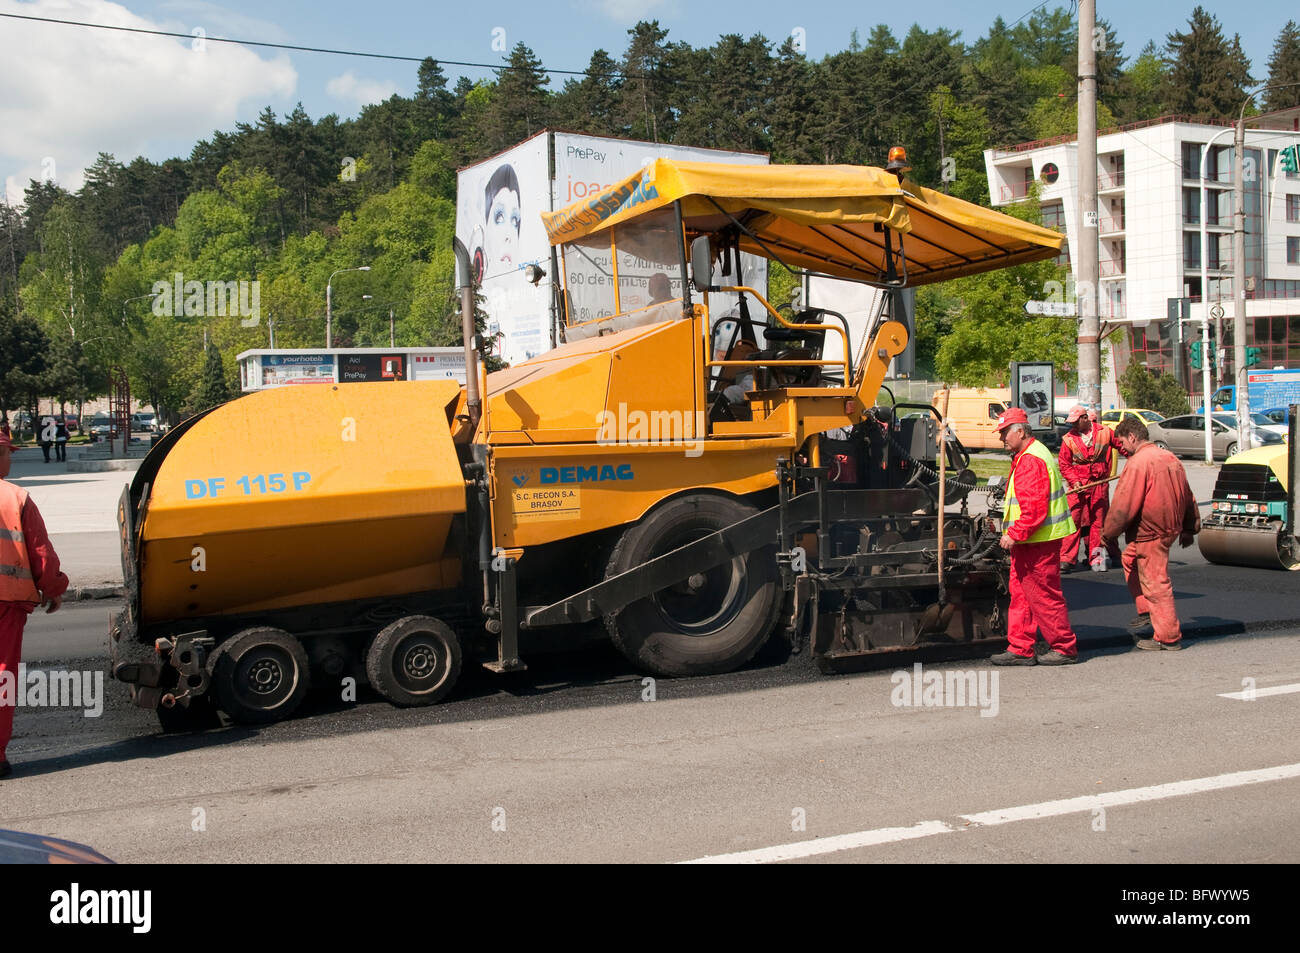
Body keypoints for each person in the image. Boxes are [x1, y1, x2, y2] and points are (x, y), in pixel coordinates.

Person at [0, 430, 68, 778]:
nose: (12, 458)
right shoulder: (16, 499)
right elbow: (40, 553)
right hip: (5, 605)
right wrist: (53, 589)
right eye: (9, 452)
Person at [1100, 417, 1200, 651]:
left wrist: (1108, 534)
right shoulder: (1169, 458)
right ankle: (1147, 610)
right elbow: (1187, 495)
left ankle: (1168, 637)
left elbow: (1123, 505)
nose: (1121, 448)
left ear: (1133, 437)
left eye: (1122, 442)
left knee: (1156, 582)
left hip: (1151, 533)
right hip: (1168, 529)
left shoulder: (1138, 463)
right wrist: (1189, 528)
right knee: (1129, 559)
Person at [993, 407, 1080, 665]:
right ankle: (1020, 647)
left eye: (1004, 433)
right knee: (1022, 594)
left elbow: (1034, 509)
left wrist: (1014, 534)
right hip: (1031, 541)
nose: (1001, 439)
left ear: (1020, 431)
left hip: (1037, 542)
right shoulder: (1028, 455)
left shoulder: (1030, 460)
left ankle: (1064, 648)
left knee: (1044, 595)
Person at [1058, 405, 1123, 572]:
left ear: (1085, 419)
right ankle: (1066, 559)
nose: (1072, 426)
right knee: (1073, 521)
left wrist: (1137, 459)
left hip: (1098, 484)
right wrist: (1075, 481)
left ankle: (1096, 559)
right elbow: (1064, 465)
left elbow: (1122, 446)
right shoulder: (1068, 439)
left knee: (1098, 523)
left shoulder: (1105, 432)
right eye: (1071, 422)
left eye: (1075, 422)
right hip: (1078, 485)